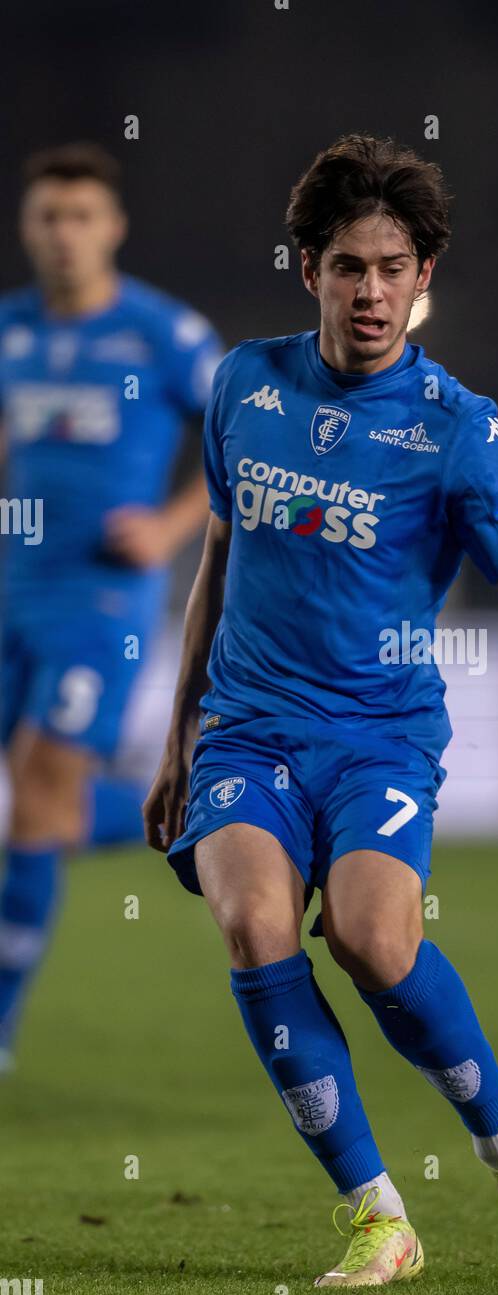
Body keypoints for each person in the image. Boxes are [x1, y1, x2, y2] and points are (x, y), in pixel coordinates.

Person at [144, 133, 498, 1288]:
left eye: (393, 267)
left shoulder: (459, 431)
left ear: (424, 279)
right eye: (347, 266)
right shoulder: (242, 385)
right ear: (306, 267)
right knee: (254, 927)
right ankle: (378, 1212)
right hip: (248, 728)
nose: (370, 291)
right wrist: (178, 736)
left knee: (373, 939)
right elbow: (215, 571)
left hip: (379, 735)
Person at [0, 143, 222, 1069]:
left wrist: (171, 528)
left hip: (101, 600)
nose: (64, 234)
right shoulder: (9, 328)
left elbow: (246, 449)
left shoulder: (162, 335)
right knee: (34, 813)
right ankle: (172, 808)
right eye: (49, 215)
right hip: (12, 587)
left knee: (42, 790)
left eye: (82, 216)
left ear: (114, 228)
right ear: (27, 225)